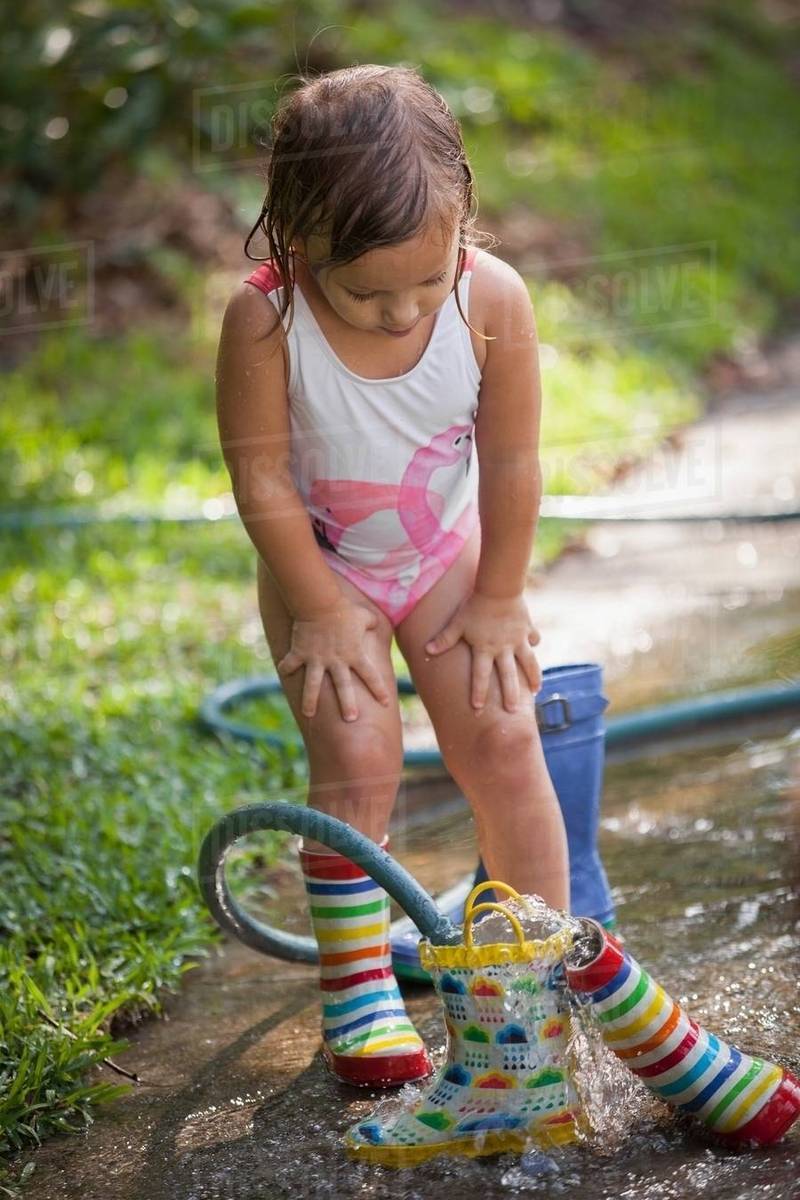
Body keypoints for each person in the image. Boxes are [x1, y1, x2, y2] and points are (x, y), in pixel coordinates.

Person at [215, 63, 569, 1088]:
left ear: (464, 220)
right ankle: (361, 991)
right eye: (364, 289)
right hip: (319, 569)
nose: (400, 308)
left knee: (503, 736)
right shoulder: (265, 320)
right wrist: (320, 608)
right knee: (359, 763)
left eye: (426, 279)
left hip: (443, 559)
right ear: (292, 235)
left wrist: (499, 595)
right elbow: (263, 480)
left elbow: (510, 463)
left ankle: (530, 966)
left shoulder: (489, 296)